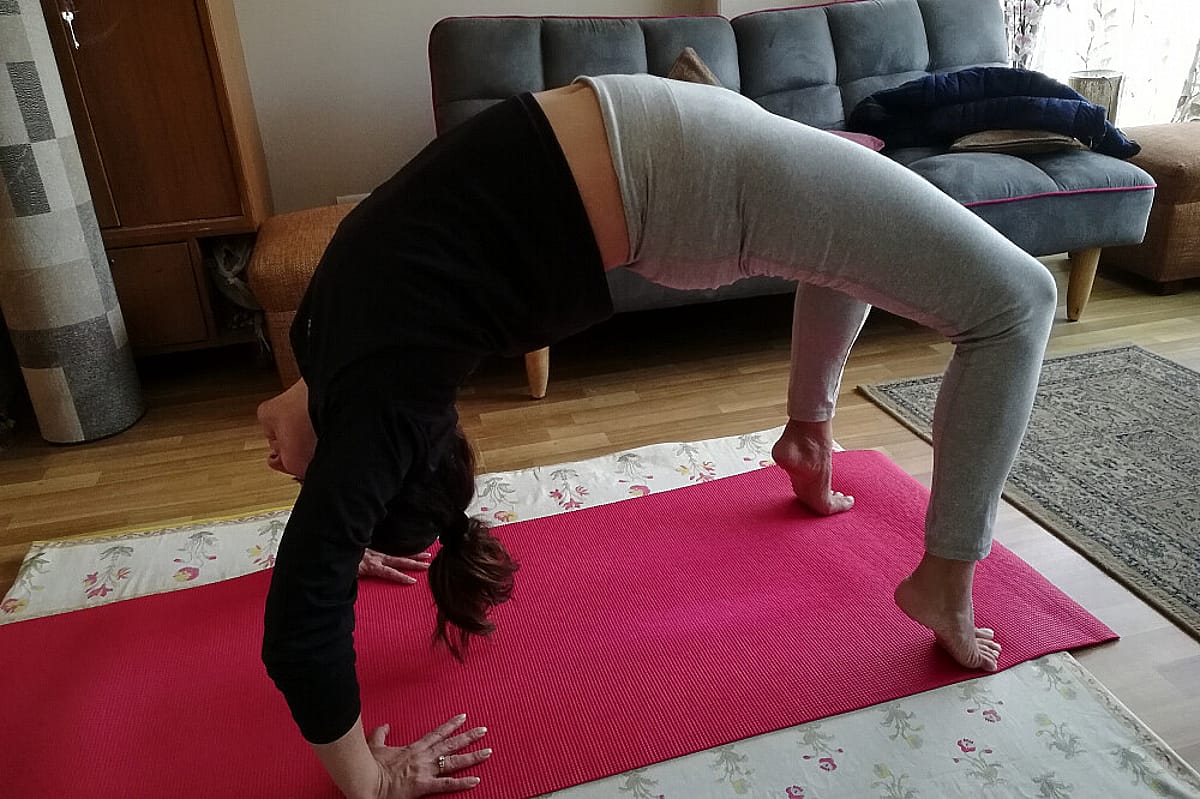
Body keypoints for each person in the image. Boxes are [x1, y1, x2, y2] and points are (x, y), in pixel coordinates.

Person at [256, 73, 1056, 799]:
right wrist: (369, 780)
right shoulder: (374, 391)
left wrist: (350, 530)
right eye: (323, 486)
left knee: (853, 237)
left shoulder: (329, 349)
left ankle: (808, 435)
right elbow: (300, 624)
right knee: (1019, 301)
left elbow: (339, 515)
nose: (272, 456)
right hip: (692, 175)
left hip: (679, 148)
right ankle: (944, 579)